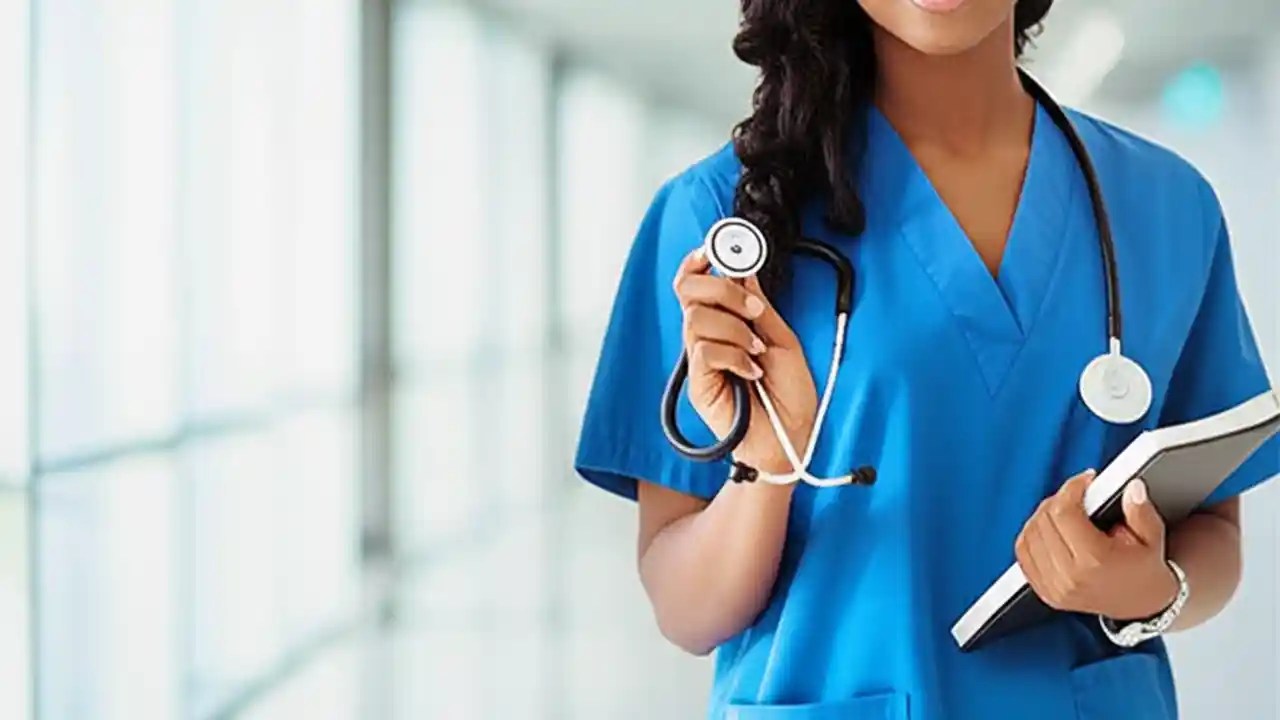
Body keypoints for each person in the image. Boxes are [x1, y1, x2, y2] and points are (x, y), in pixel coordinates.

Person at [573, 0, 1279, 718]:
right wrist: (766, 468)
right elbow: (686, 612)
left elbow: (1215, 538)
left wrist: (1148, 591)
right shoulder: (720, 216)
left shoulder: (1165, 205)